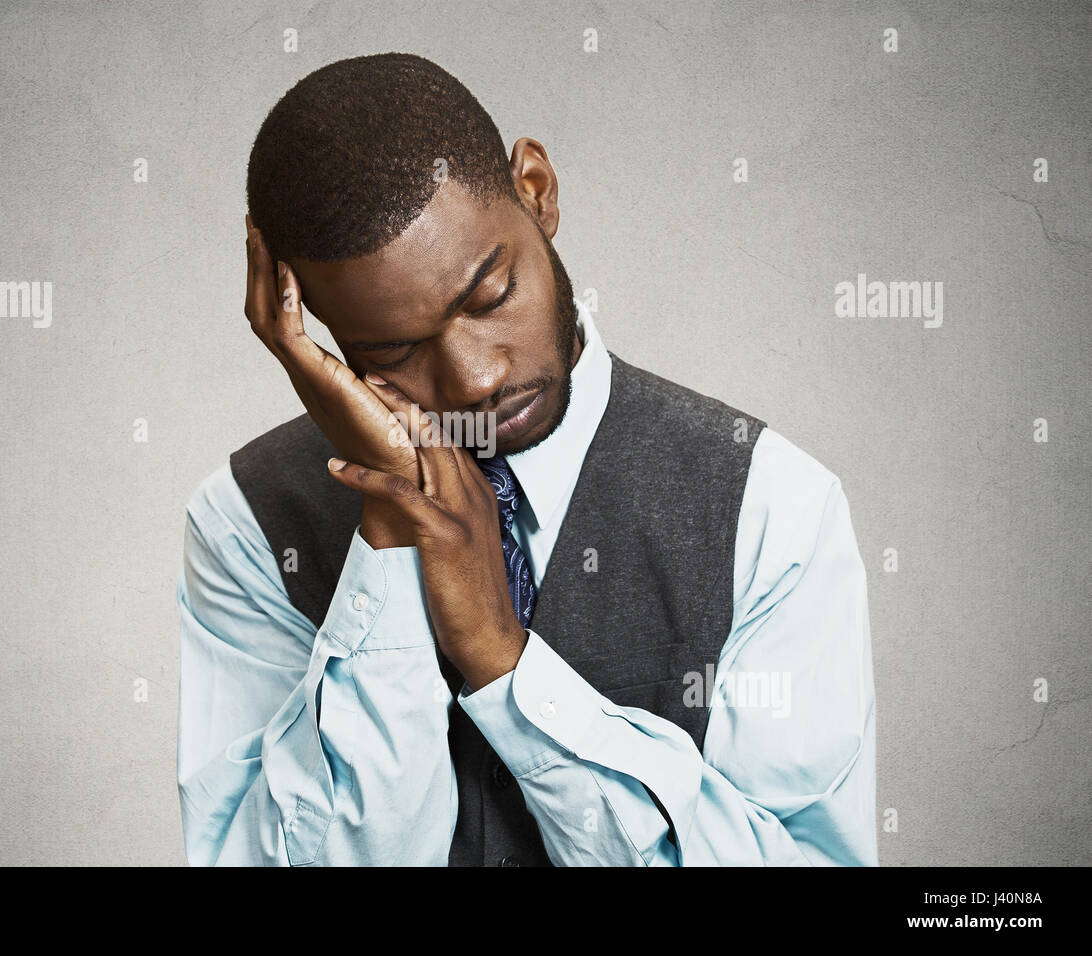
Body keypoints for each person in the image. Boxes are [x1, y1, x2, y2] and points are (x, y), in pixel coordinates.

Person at [176, 52, 877, 866]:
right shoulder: (243, 523)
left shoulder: (772, 504)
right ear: (313, 334)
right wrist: (391, 541)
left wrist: (503, 662)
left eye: (487, 296)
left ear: (536, 191)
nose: (474, 379)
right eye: (392, 350)